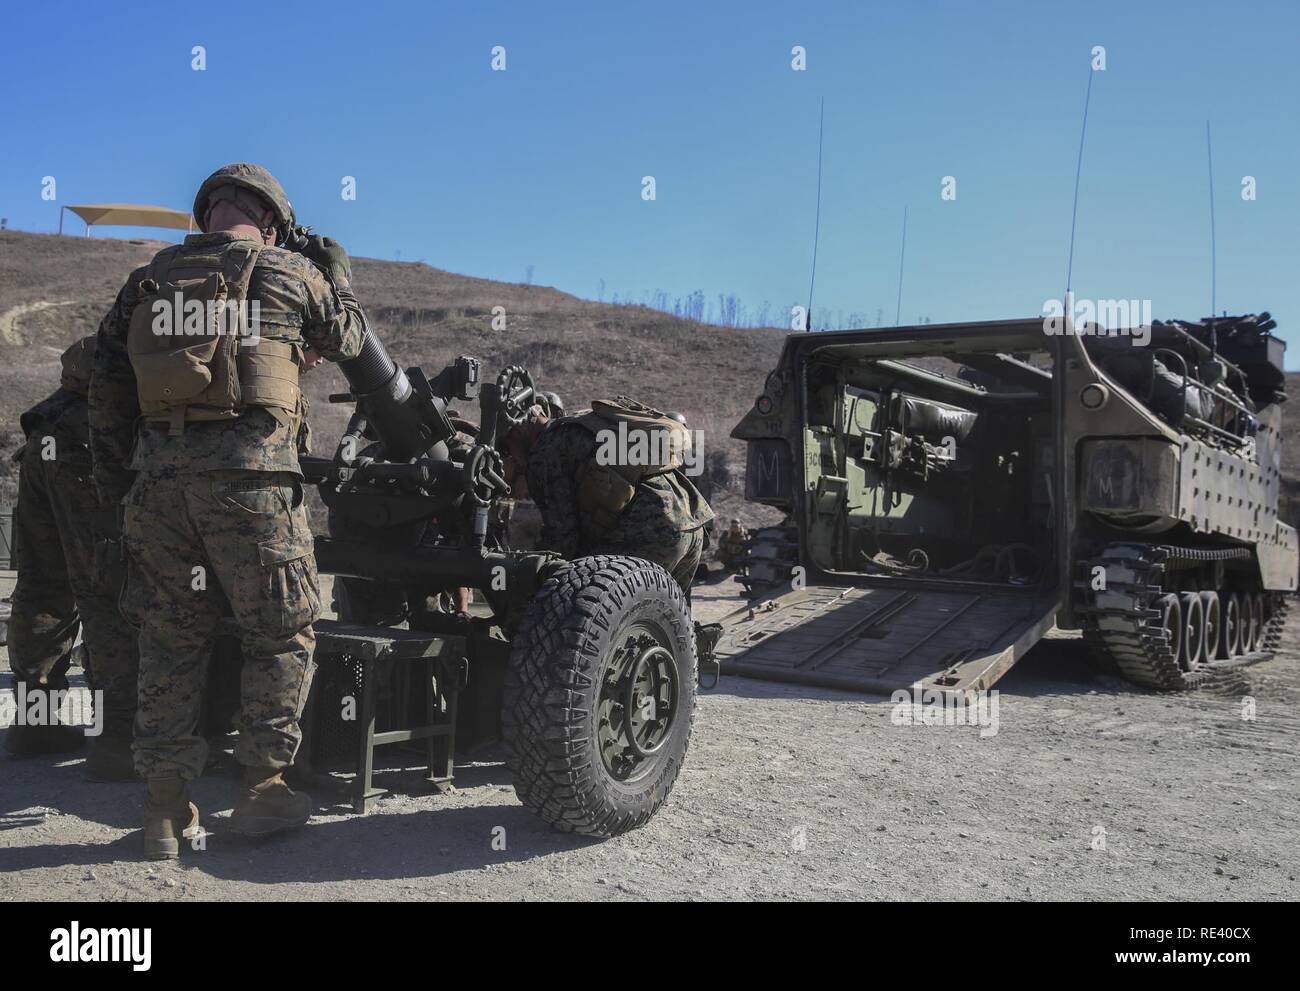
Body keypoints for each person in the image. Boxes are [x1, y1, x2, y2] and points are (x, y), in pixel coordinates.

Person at [89, 163, 364, 859]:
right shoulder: (285, 272)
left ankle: (162, 810)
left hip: (159, 490)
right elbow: (350, 340)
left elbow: (106, 380)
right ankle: (262, 786)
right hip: (254, 486)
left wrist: (127, 475)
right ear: (270, 221)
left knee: (170, 638)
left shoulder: (147, 281)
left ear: (206, 213)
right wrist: (332, 270)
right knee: (280, 632)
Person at [6, 337, 139, 779]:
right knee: (104, 588)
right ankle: (115, 738)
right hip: (85, 448)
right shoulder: (140, 341)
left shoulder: (102, 344)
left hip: (47, 441)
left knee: (43, 586)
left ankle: (36, 725)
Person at [501, 396, 714, 596]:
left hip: (652, 532)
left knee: (580, 603)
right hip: (690, 524)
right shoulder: (582, 424)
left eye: (504, 452)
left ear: (514, 434)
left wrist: (531, 580)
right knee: (673, 623)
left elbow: (562, 540)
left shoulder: (545, 452)